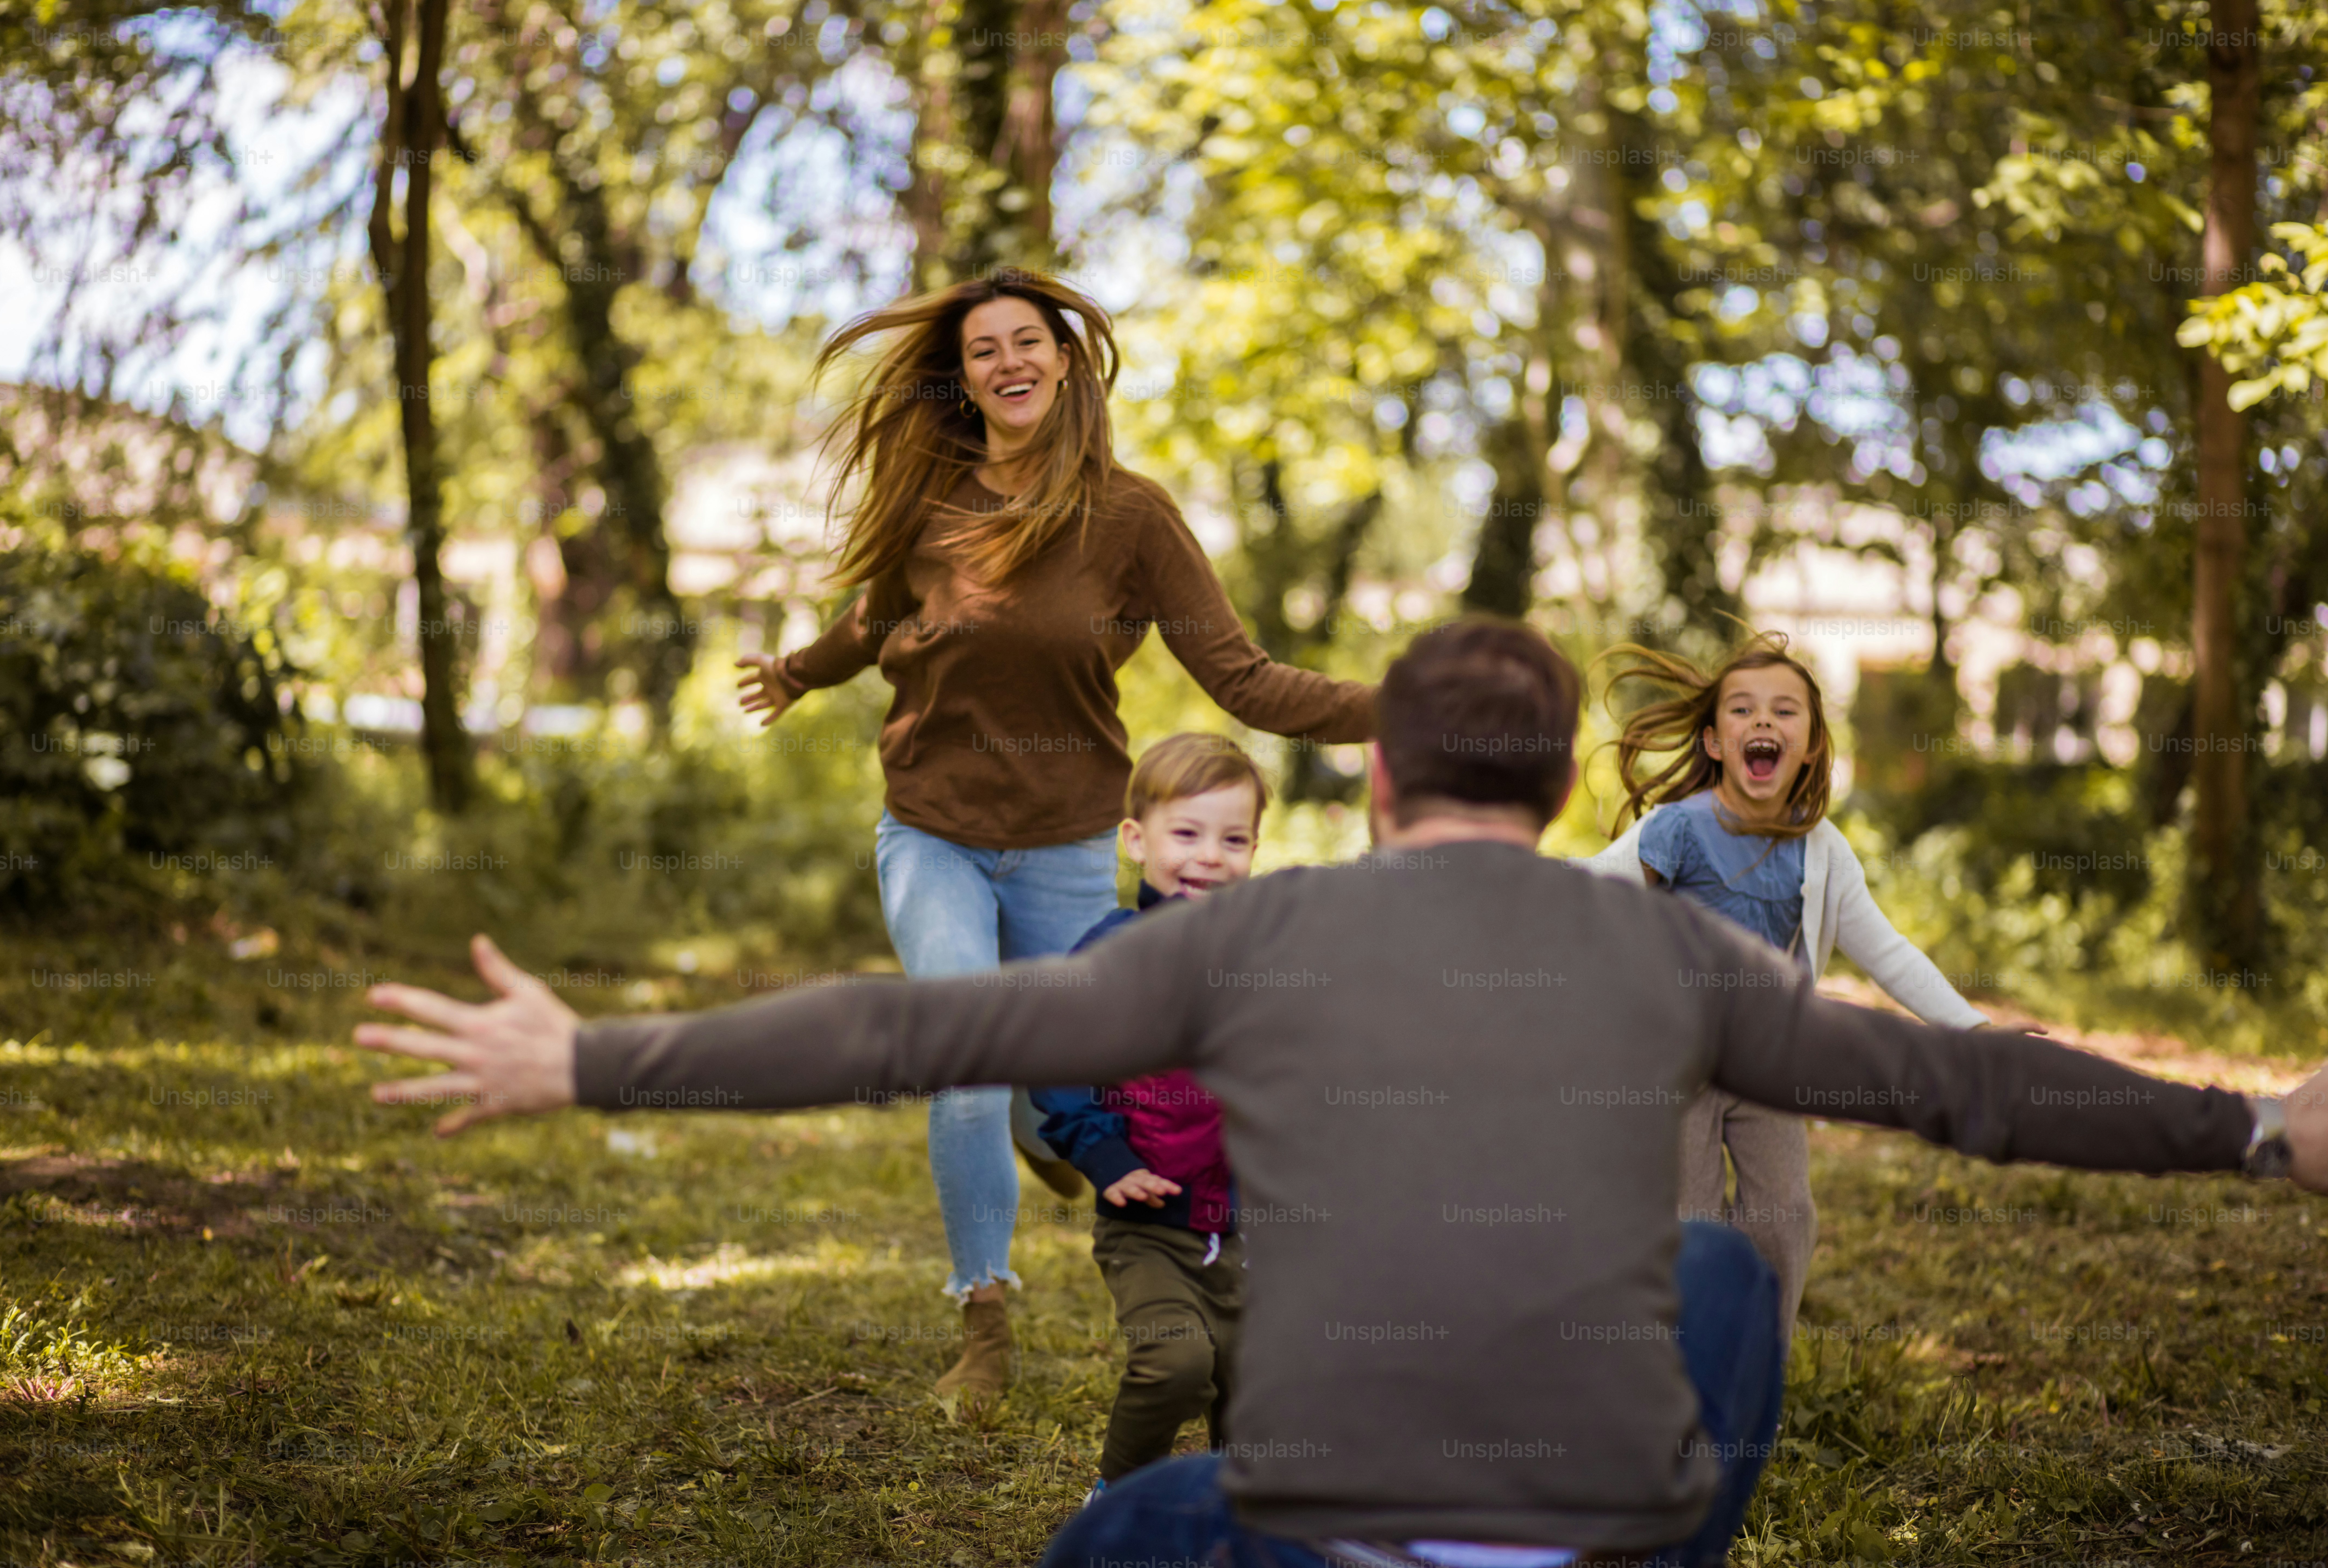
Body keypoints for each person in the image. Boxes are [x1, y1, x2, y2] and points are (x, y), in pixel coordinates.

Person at [356, 619, 2309, 1568]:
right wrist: (2252, 1125)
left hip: (1321, 1538)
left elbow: (907, 1029)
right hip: (1603, 1522)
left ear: (1371, 786)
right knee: (1723, 1286)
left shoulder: (1247, 941)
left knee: (1106, 1542)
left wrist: (589, 1057)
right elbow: (1967, 1083)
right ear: (1564, 797)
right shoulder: (1677, 951)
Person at [729, 269, 1373, 1401]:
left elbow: (1244, 679)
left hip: (1072, 838)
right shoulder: (927, 501)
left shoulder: (1131, 516)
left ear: (1065, 361)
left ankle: (1046, 1115)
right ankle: (983, 1321)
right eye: (984, 350)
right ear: (964, 378)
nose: (1008, 362)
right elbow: (872, 621)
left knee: (1082, 1077)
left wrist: (1395, 711)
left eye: (1028, 342)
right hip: (932, 829)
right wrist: (792, 673)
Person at [1580, 630, 2009, 1343]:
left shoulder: (1820, 849)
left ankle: (1754, 1373)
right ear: (1715, 741)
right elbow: (1594, 889)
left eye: (1784, 712)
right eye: (1742, 710)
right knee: (1686, 1228)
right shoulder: (1676, 830)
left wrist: (1972, 1030)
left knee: (1785, 1220)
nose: (1763, 723)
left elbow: (1888, 953)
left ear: (1809, 745)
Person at [1031, 733, 1263, 1497]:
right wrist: (1108, 1162)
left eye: (1233, 839)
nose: (1209, 856)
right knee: (1177, 1363)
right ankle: (1118, 1499)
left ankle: (1252, 1514)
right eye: (1186, 834)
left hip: (1249, 1226)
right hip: (1151, 1221)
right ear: (1137, 840)